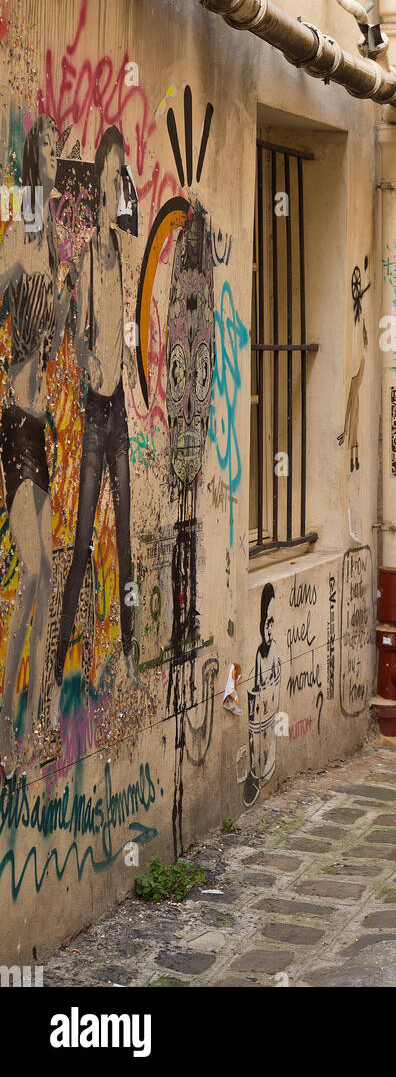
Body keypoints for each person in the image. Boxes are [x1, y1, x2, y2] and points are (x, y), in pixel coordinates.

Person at [52, 126, 137, 723]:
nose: (116, 187)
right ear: (98, 186)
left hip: (122, 411)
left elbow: (123, 327)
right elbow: (77, 337)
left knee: (126, 537)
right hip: (95, 407)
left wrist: (127, 359)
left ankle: (131, 649)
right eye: (110, 178)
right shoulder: (84, 258)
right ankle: (60, 659)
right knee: (83, 540)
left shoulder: (121, 257)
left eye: (120, 178)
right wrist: (92, 362)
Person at [0, 115, 69, 765]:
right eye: (45, 151)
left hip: (42, 427)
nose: (52, 159)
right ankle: (8, 729)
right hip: (17, 424)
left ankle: (39, 721)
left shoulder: (50, 243)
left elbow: (62, 337)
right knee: (34, 576)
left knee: (45, 580)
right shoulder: (19, 242)